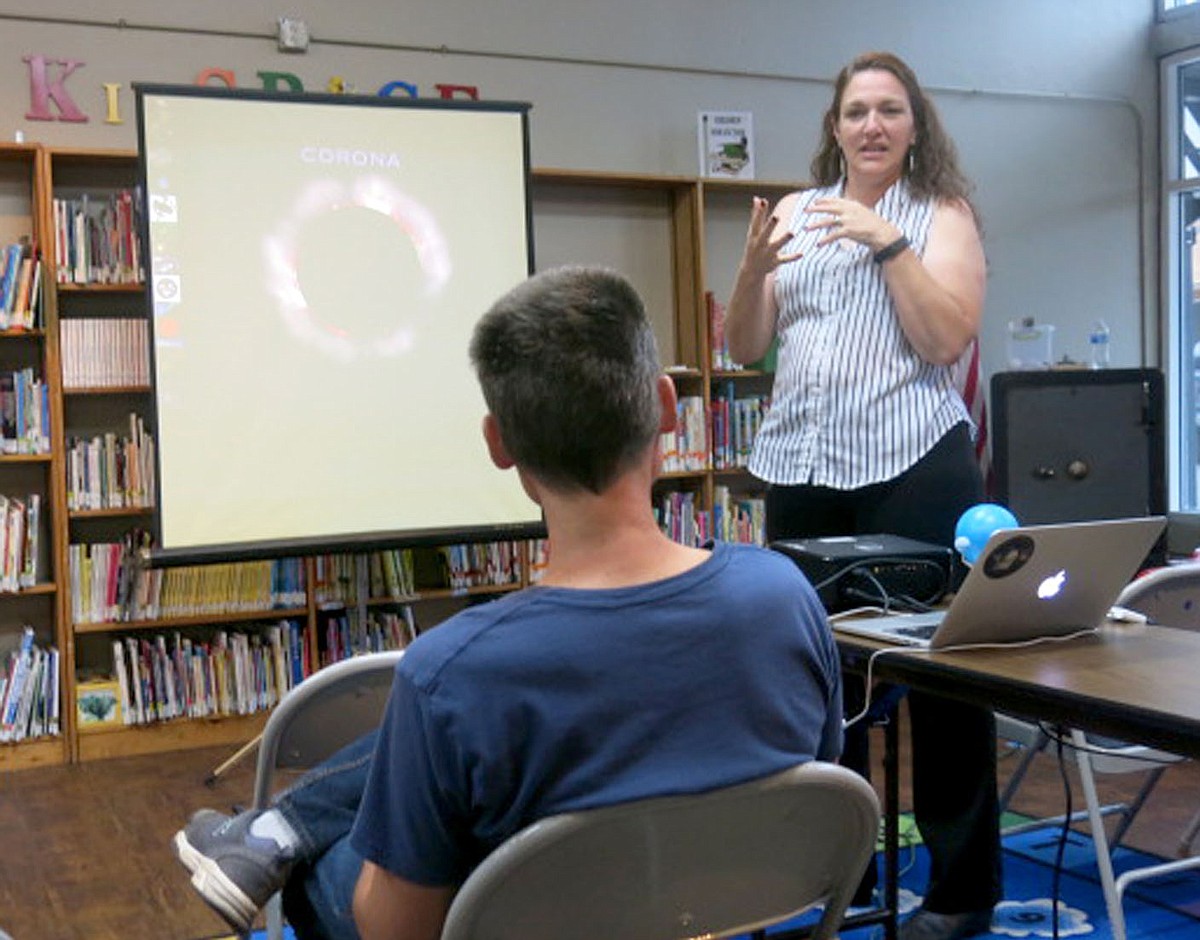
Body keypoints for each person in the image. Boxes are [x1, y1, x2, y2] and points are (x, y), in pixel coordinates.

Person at [173, 265, 844, 940]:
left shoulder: (452, 670)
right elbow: (817, 784)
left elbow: (397, 932)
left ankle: (275, 834)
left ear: (498, 444)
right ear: (668, 407)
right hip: (728, 901)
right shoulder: (785, 595)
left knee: (334, 869)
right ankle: (276, 830)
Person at [723, 51, 997, 940]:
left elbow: (945, 341)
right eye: (855, 112)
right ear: (834, 127)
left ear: (914, 124)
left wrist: (888, 243)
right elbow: (743, 346)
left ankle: (958, 894)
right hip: (802, 467)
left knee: (942, 681)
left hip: (913, 466)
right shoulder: (796, 214)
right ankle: (823, 875)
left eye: (889, 109)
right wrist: (753, 268)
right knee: (811, 683)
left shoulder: (940, 213)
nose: (872, 125)